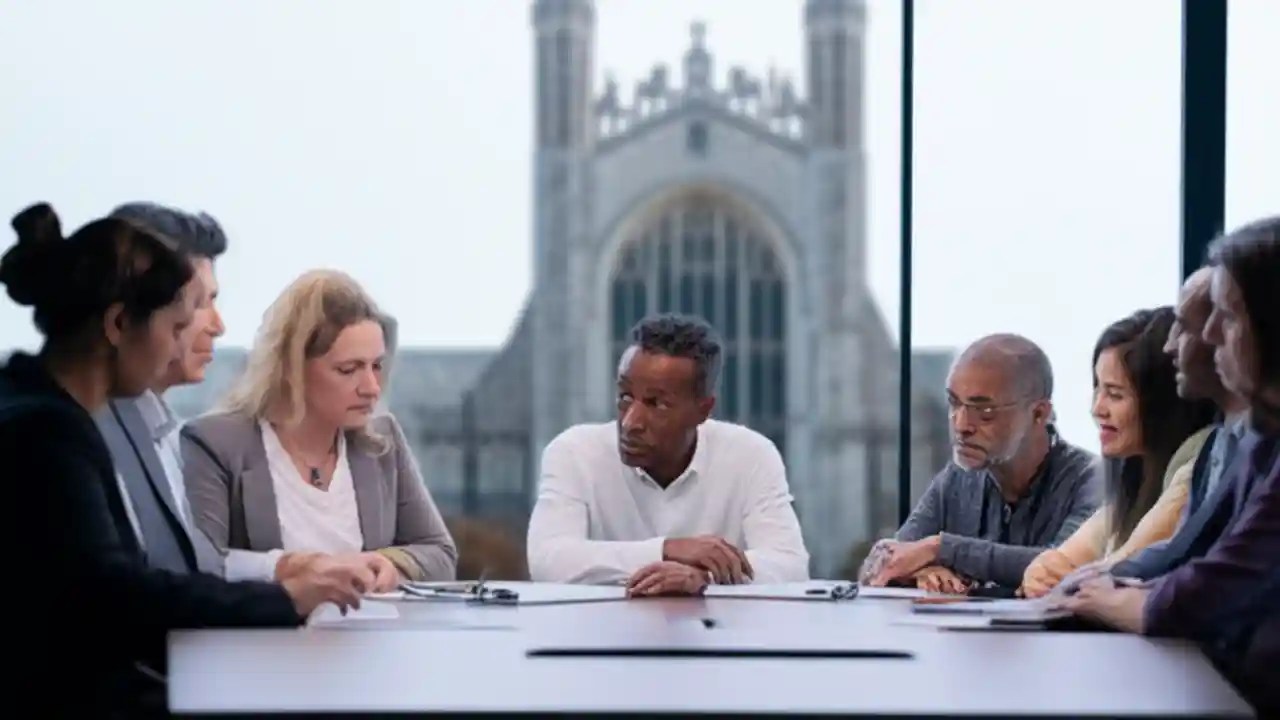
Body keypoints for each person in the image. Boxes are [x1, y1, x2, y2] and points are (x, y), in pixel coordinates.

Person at [0, 203, 370, 714]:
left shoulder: (41, 416)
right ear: (119, 323)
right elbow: (114, 597)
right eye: (176, 327)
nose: (180, 343)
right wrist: (283, 599)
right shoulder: (46, 435)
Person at [1060, 217, 1279, 713]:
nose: (1204, 335)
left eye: (1225, 315)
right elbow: (1207, 563)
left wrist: (1110, 598)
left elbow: (1213, 587)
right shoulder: (1262, 441)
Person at [182, 269, 457, 590]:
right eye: (348, 369)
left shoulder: (383, 439)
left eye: (376, 366)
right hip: (269, 637)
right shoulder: (215, 443)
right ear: (291, 368)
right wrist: (292, 567)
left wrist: (389, 564)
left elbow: (440, 554)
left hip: (371, 637)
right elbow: (200, 563)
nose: (371, 387)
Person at [526, 313, 809, 594]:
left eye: (656, 403)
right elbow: (548, 561)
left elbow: (790, 565)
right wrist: (668, 550)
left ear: (703, 410)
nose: (630, 422)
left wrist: (702, 577)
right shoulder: (574, 452)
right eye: (625, 397)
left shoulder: (752, 455)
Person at [862, 334, 1100, 593]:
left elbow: (1061, 568)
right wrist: (924, 570)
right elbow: (884, 561)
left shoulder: (1092, 480)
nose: (961, 425)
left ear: (1038, 414)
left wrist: (940, 549)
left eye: (984, 412)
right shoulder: (957, 479)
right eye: (954, 403)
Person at [1020, 308, 1217, 597]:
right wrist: (1041, 576)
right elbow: (1056, 563)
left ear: (1165, 401)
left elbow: (1126, 567)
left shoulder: (1199, 463)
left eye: (1115, 394)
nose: (1097, 408)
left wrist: (1067, 582)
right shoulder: (1135, 472)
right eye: (1097, 388)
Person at [91, 202, 228, 575]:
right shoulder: (83, 433)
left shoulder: (164, 429)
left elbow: (195, 563)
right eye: (201, 303)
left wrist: (283, 574)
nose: (218, 325)